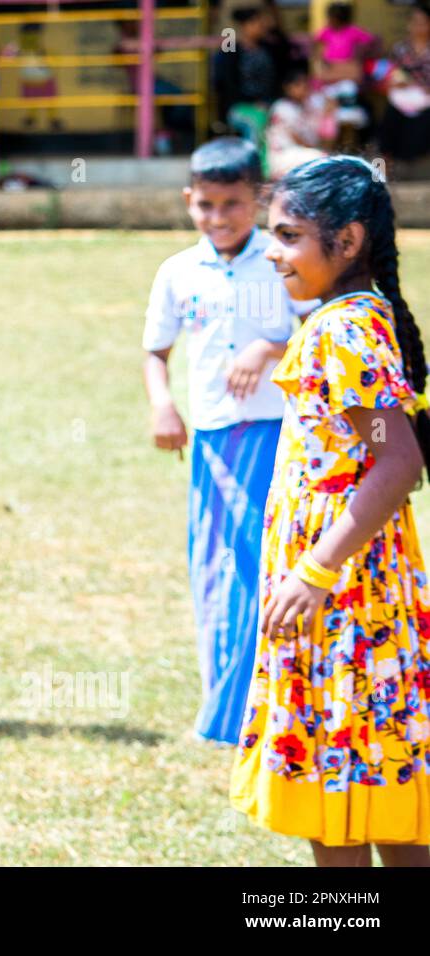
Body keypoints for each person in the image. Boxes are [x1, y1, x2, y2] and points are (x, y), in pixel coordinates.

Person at [231, 155, 430, 866]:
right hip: (351, 594)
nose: (271, 252)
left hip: (345, 600)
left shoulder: (345, 329)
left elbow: (398, 460)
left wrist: (314, 570)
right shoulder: (348, 319)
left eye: (287, 236)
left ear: (346, 242)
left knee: (339, 792)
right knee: (374, 781)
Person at [143, 137, 314, 746]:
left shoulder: (283, 261)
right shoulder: (178, 272)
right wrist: (164, 405)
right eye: (205, 205)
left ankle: (270, 703)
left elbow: (316, 332)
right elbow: (156, 351)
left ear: (260, 199)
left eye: (232, 205)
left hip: (283, 435)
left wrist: (267, 347)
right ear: (189, 200)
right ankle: (228, 707)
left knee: (267, 565)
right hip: (214, 439)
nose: (218, 218)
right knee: (216, 570)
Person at [215, 7, 280, 152]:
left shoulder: (268, 48)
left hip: (269, 103)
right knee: (256, 122)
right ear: (245, 25)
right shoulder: (231, 49)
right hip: (241, 106)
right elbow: (226, 83)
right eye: (258, 23)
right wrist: (253, 103)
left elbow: (276, 77)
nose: (262, 26)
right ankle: (256, 167)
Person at [379, 2, 430, 171]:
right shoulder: (399, 49)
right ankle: (379, 176)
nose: (417, 27)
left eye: (422, 22)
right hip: (400, 102)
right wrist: (393, 82)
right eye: (414, 22)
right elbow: (387, 75)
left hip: (426, 104)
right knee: (386, 130)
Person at [267, 66, 334, 180]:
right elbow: (298, 140)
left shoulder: (308, 105)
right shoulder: (282, 107)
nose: (304, 88)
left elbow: (324, 132)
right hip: (283, 156)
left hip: (301, 153)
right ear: (287, 88)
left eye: (306, 84)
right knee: (323, 158)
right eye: (298, 84)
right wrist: (317, 149)